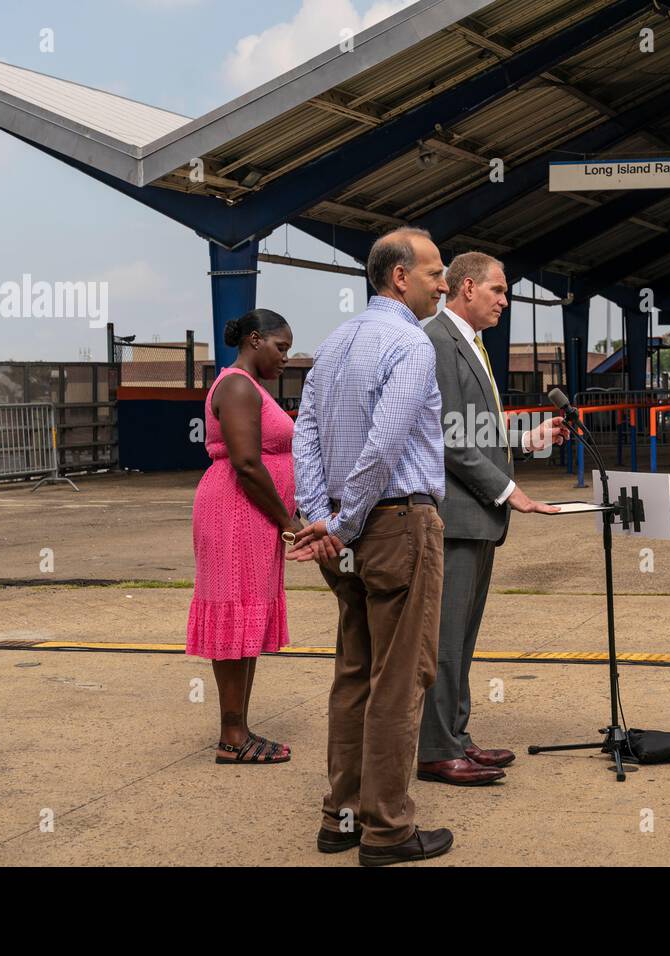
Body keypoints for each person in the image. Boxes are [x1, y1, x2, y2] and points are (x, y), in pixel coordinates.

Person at [289, 226, 453, 866]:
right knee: (399, 679)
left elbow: (305, 433)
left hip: (345, 536)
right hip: (393, 528)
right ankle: (387, 830)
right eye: (436, 272)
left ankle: (342, 816)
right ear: (400, 278)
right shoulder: (411, 345)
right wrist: (344, 520)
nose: (444, 284)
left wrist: (319, 515)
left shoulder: (334, 345)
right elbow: (384, 446)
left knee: (354, 671)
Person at [417, 252, 568, 786]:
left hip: (475, 517)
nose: (505, 301)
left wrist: (527, 442)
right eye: (498, 291)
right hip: (456, 518)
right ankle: (434, 749)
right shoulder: (436, 340)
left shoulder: (471, 343)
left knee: (462, 637)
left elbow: (473, 431)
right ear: (466, 288)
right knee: (443, 638)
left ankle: (455, 736)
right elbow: (448, 440)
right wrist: (511, 492)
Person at [186, 308, 301, 765]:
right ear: (255, 340)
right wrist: (287, 522)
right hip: (236, 510)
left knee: (246, 616)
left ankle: (241, 730)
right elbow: (247, 462)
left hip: (252, 514)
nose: (286, 359)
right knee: (235, 613)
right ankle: (232, 736)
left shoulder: (249, 387)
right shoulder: (236, 385)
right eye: (281, 348)